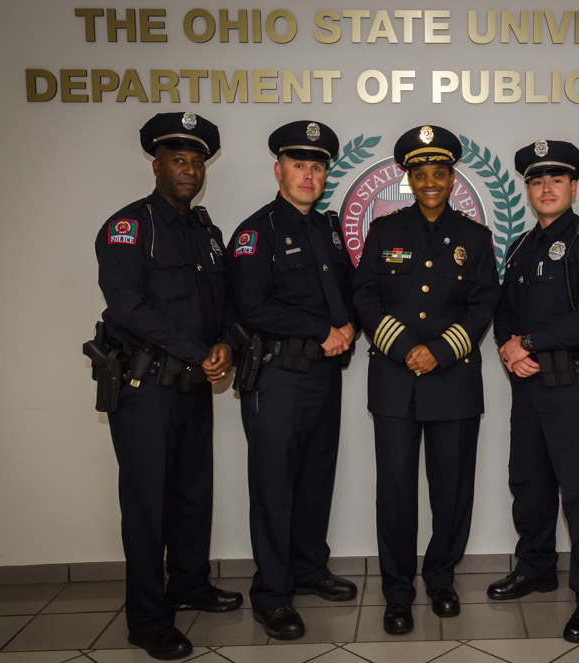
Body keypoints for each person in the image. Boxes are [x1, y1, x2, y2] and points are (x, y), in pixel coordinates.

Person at [92, 112, 242, 661]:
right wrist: (199, 352)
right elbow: (127, 309)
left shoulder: (207, 233)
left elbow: (222, 303)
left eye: (198, 161)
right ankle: (148, 620)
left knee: (191, 494)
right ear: (155, 165)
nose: (191, 170)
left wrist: (224, 342)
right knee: (147, 506)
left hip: (192, 385)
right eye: (179, 160)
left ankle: (190, 585)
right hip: (144, 388)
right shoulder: (129, 228)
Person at [352, 125, 499, 635]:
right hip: (395, 381)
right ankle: (397, 592)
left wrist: (437, 352)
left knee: (452, 491)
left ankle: (440, 580)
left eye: (440, 173)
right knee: (394, 492)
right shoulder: (385, 231)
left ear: (452, 178)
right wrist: (403, 348)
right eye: (421, 173)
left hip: (453, 380)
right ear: (408, 179)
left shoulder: (476, 238)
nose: (430, 181)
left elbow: (484, 306)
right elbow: (365, 297)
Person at [228, 120, 359, 640]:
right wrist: (322, 329)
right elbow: (252, 306)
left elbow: (345, 287)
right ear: (278, 169)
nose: (309, 174)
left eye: (318, 166)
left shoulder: (324, 229)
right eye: (299, 165)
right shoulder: (255, 232)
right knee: (274, 488)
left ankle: (309, 569)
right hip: (277, 377)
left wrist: (350, 324)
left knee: (314, 481)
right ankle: (273, 594)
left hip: (323, 375)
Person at [488, 140, 579, 643]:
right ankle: (536, 567)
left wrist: (530, 342)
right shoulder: (522, 245)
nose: (546, 189)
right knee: (529, 482)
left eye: (556, 180)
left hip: (574, 386)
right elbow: (503, 307)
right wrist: (507, 346)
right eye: (537, 181)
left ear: (573, 186)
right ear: (527, 189)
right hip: (529, 384)